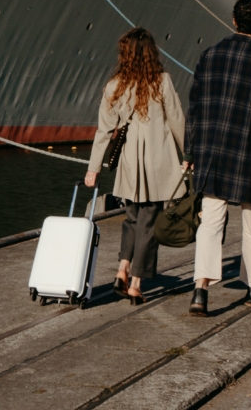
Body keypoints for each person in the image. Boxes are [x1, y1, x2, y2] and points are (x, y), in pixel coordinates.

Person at [184, 0, 251, 316]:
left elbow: (194, 110)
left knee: (210, 222)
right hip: (247, 154)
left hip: (211, 152)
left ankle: (200, 291)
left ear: (234, 20)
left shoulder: (208, 55)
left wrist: (189, 151)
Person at [85, 26, 187, 304]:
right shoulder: (162, 81)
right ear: (151, 53)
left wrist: (93, 168)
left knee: (132, 218)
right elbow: (177, 120)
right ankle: (136, 283)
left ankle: (122, 269)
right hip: (158, 162)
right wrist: (188, 154)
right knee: (149, 222)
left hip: (130, 163)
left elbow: (103, 131)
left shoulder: (113, 86)